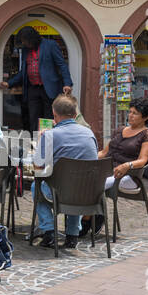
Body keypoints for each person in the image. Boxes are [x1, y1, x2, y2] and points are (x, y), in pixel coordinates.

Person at [31, 94, 98, 250]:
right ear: (75, 115)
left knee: (36, 186)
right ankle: (72, 235)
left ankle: (49, 231)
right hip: (86, 193)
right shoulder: (89, 133)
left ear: (54, 114)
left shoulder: (50, 135)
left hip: (59, 192)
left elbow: (38, 166)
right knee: (77, 181)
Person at [0, 26, 72, 131]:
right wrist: (9, 83)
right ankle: (35, 143)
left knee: (48, 118)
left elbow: (62, 65)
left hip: (49, 88)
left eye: (25, 41)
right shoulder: (25, 50)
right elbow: (23, 72)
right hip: (33, 89)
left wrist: (67, 83)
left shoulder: (50, 45)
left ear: (32, 38)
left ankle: (47, 142)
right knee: (33, 118)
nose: (24, 44)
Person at [97, 98, 148, 193]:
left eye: (135, 113)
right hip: (108, 171)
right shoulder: (120, 130)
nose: (130, 115)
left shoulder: (147, 135)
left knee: (94, 184)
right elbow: (104, 153)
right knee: (82, 177)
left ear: (146, 117)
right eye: (130, 112)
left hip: (129, 176)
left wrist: (127, 165)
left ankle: (90, 206)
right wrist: (87, 157)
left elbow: (142, 160)